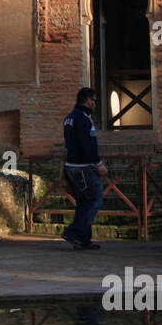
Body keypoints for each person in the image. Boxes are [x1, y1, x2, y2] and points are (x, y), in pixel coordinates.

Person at [62, 87, 107, 251]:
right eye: (94, 101)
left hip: (72, 166)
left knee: (83, 202)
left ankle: (83, 240)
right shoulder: (82, 118)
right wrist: (98, 163)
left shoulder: (69, 118)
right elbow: (86, 144)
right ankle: (73, 232)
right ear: (88, 101)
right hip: (82, 167)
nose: (95, 104)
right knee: (95, 200)